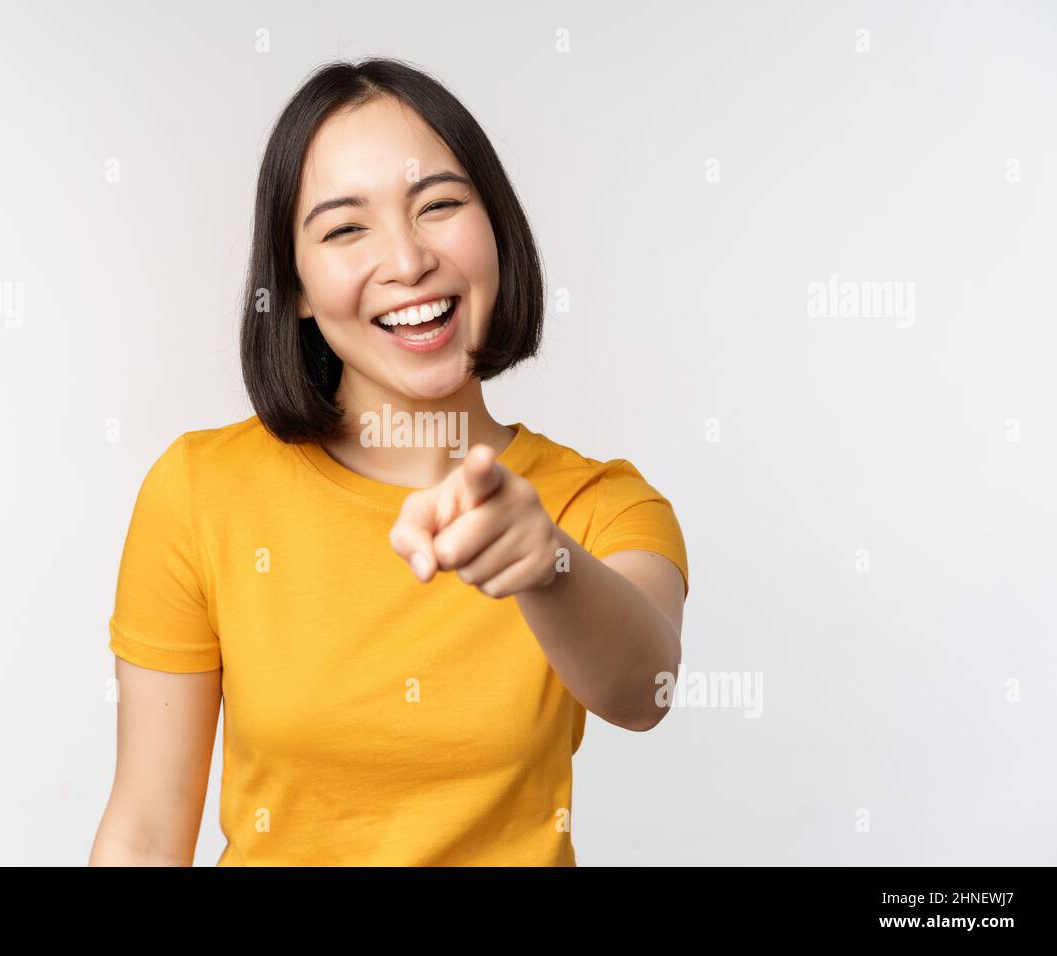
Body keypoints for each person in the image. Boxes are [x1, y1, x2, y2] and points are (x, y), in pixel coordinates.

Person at [89, 57, 688, 867]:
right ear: (294, 286)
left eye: (439, 205)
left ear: (497, 229)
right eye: (344, 227)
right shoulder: (200, 492)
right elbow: (147, 834)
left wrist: (546, 564)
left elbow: (643, 690)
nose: (407, 261)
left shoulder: (599, 502)